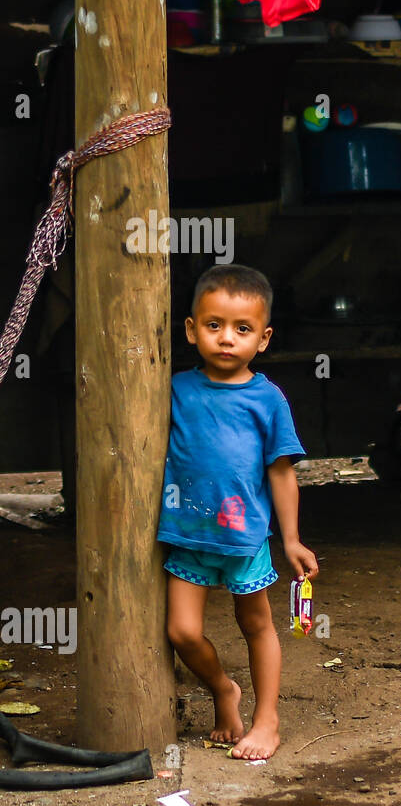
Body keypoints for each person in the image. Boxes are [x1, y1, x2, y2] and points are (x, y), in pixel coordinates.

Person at [158, 264, 317, 759]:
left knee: (257, 626)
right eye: (213, 325)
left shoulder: (267, 399)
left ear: (263, 338)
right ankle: (224, 689)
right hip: (188, 533)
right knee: (181, 631)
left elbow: (282, 473)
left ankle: (267, 721)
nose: (227, 338)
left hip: (245, 538)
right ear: (191, 329)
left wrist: (290, 539)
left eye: (242, 329)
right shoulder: (173, 390)